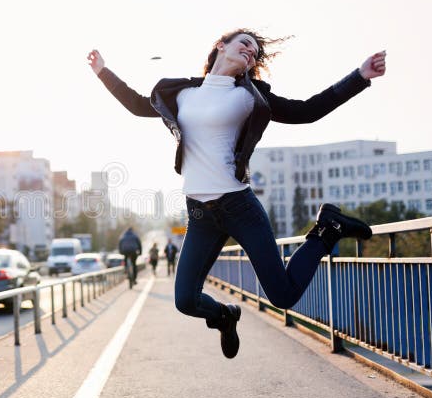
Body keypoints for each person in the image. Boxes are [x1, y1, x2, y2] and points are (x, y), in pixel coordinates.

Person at [88, 30, 386, 359]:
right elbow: (136, 105)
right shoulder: (182, 93)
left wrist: (359, 77)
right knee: (185, 300)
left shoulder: (248, 96)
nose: (250, 52)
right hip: (199, 213)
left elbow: (308, 111)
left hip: (239, 207)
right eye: (244, 43)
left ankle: (328, 229)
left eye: (255, 52)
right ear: (221, 46)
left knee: (283, 296)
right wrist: (103, 71)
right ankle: (225, 316)